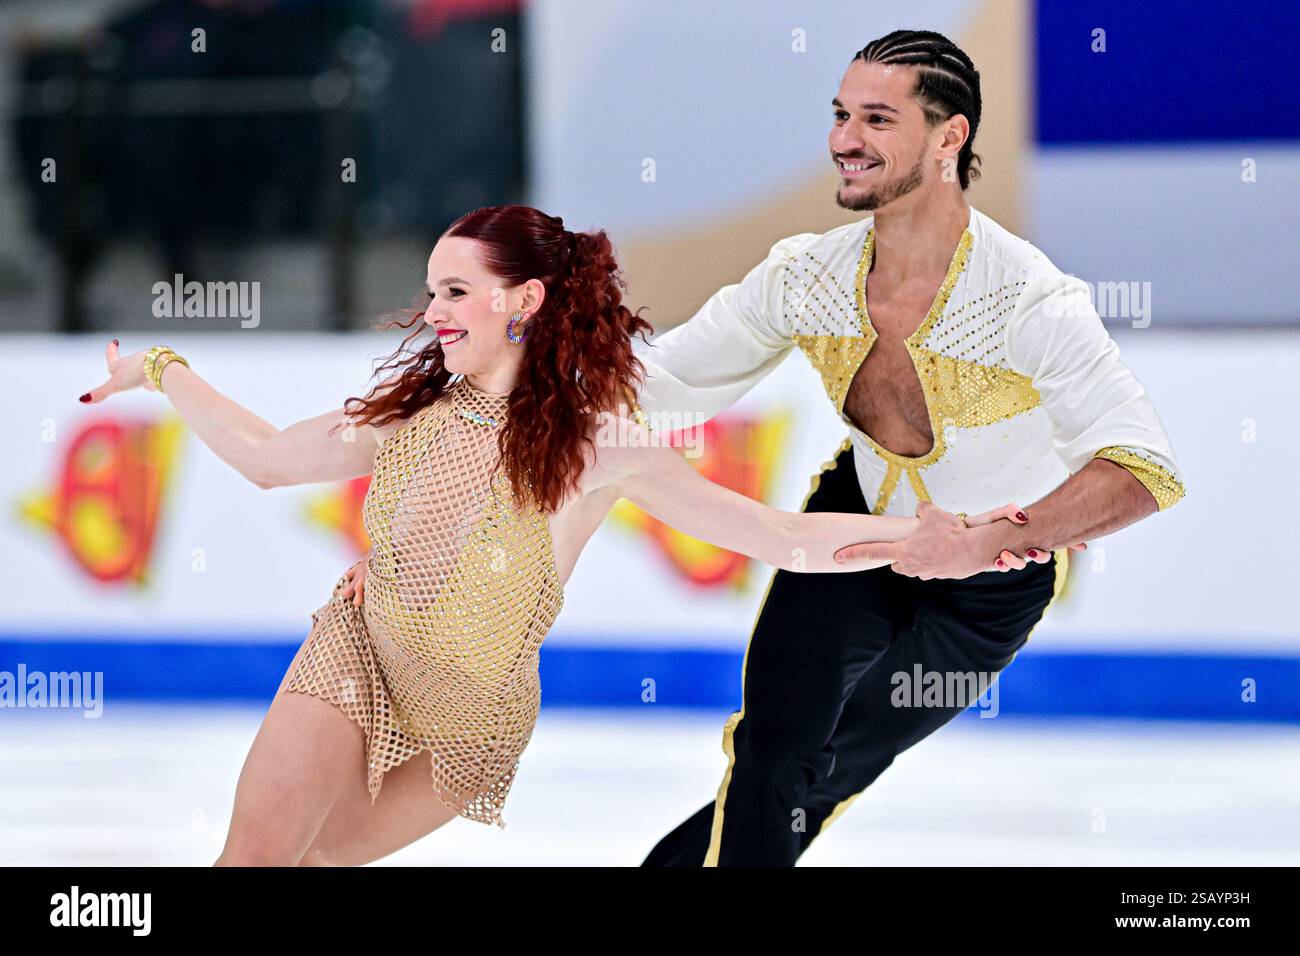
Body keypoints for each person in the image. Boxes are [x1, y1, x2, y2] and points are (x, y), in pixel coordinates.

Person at [79, 204, 1042, 867]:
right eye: (431, 291)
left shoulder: (600, 448)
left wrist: (919, 541)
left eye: (457, 292)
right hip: (359, 658)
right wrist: (162, 368)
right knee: (256, 857)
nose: (434, 313)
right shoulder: (409, 415)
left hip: (476, 722)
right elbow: (265, 457)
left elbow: (778, 537)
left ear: (524, 300)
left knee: (320, 857)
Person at [628, 29, 1186, 866]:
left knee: (830, 767)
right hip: (852, 533)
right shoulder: (804, 276)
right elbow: (659, 386)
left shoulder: (1029, 300)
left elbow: (1145, 468)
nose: (843, 140)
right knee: (774, 754)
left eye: (877, 119)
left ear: (948, 137)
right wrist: (520, 365)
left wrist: (992, 539)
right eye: (841, 114)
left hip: (993, 590)